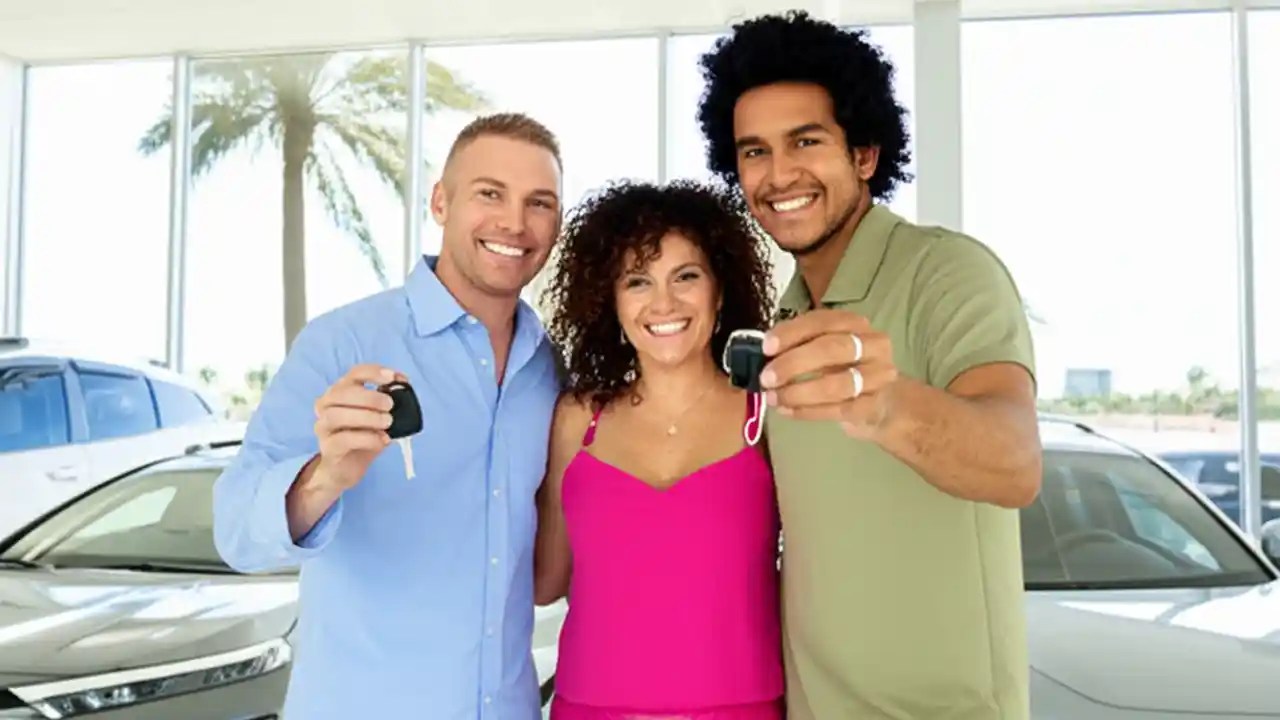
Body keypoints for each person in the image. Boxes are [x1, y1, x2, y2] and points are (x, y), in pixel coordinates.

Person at [696, 11, 1043, 720]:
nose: (778, 173)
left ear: (864, 154)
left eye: (806, 141)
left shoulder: (948, 271)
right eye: (754, 151)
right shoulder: (781, 318)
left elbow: (1015, 465)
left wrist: (884, 405)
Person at [212, 112, 565, 720]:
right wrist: (325, 475)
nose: (514, 222)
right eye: (490, 193)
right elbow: (236, 534)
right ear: (440, 201)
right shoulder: (342, 344)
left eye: (539, 203)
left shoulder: (552, 373)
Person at [533, 179, 782, 720]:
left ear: (721, 291)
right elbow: (546, 579)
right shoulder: (578, 417)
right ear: (611, 301)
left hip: (743, 708)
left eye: (686, 276)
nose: (663, 302)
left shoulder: (767, 416)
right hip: (590, 706)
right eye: (638, 281)